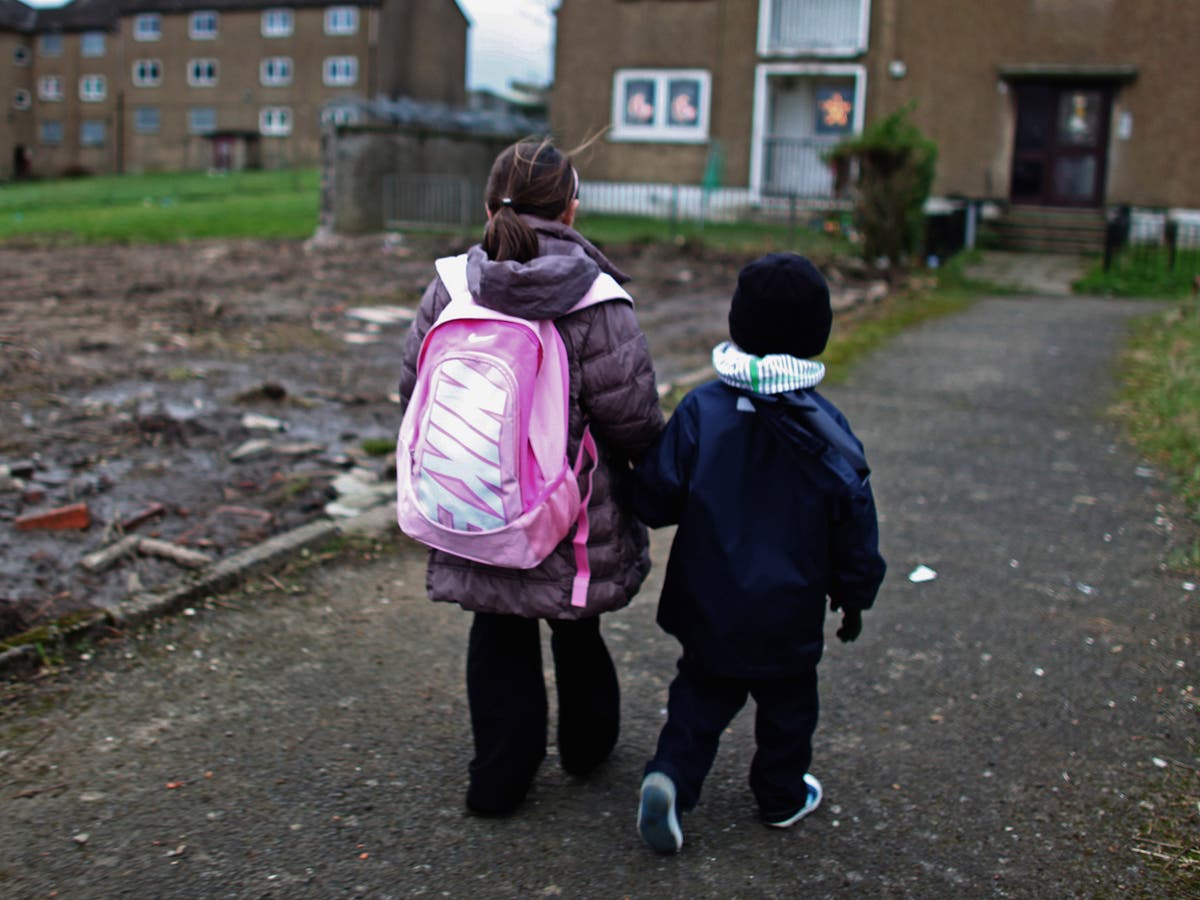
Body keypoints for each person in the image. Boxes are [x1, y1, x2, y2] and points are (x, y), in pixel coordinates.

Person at [396, 138, 663, 816]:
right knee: (576, 631)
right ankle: (586, 747)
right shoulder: (596, 299)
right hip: (566, 516)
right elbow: (631, 418)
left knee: (497, 635)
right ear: (571, 209)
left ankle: (497, 782)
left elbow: (412, 389)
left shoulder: (451, 285)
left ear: (490, 206)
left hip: (474, 502)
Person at [630, 252, 886, 853]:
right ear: (814, 336)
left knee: (698, 696)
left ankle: (670, 777)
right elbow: (855, 520)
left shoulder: (701, 409)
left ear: (737, 322)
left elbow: (658, 498)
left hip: (709, 604)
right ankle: (780, 795)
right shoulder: (826, 426)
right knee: (789, 710)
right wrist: (854, 596)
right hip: (788, 611)